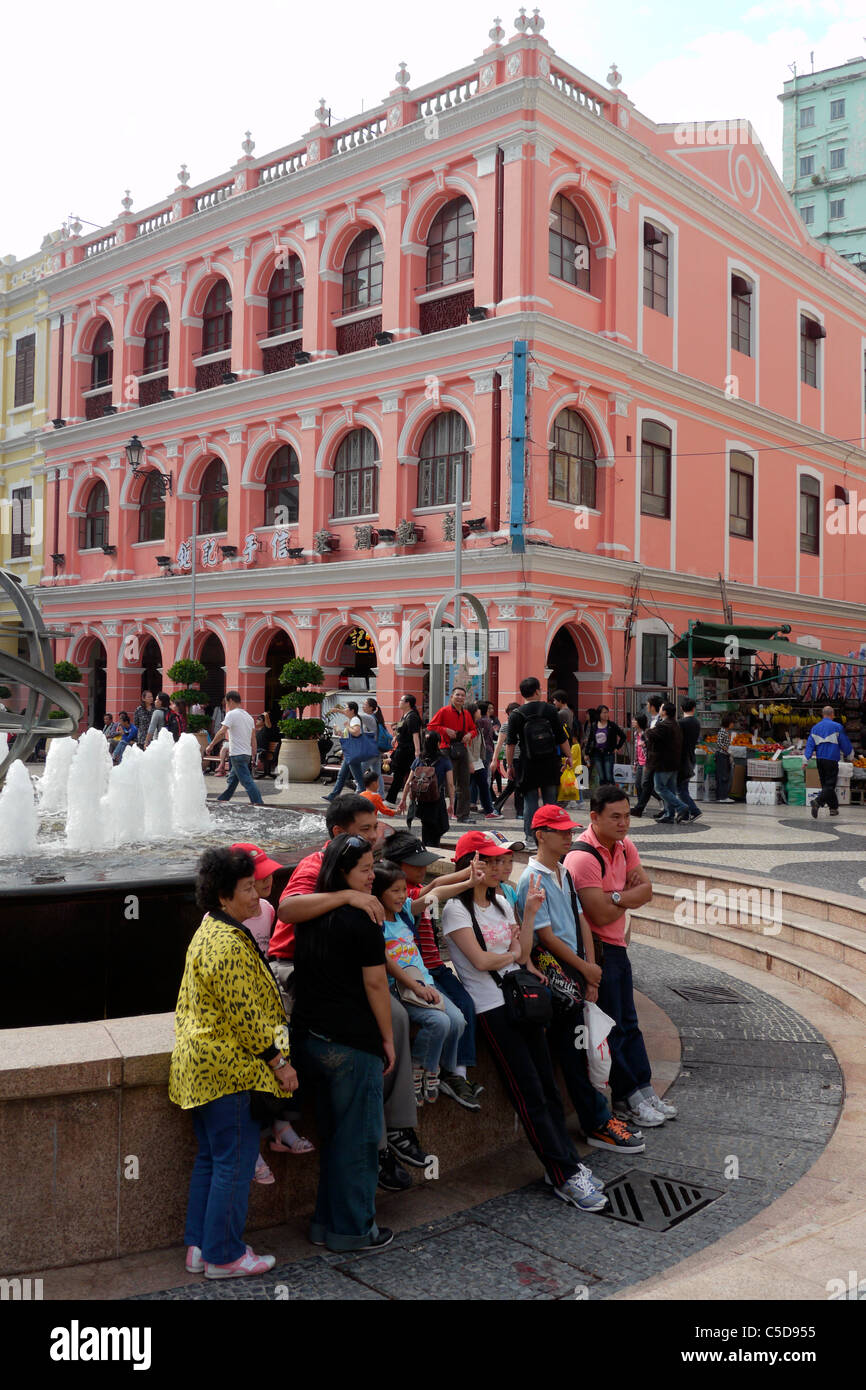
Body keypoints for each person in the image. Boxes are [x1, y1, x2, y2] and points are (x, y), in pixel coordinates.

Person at [272, 794, 433, 1191]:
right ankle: (374, 1148)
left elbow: (374, 952)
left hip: (341, 970)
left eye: (376, 827)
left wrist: (411, 980)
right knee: (380, 1026)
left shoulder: (367, 867)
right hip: (295, 967)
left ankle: (396, 1128)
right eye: (365, 830)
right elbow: (286, 910)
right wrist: (346, 896)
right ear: (338, 834)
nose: (376, 836)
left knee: (395, 1018)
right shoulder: (318, 866)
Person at [441, 833, 607, 1212]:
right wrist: (514, 953)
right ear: (471, 864)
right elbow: (482, 962)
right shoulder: (455, 910)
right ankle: (564, 1174)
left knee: (547, 1087)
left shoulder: (501, 899)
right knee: (529, 1093)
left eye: (505, 860)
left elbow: (524, 952)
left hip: (522, 1003)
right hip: (492, 1009)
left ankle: (565, 1165)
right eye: (492, 860)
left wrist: (529, 914)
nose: (502, 867)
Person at [169, 846, 296, 1278]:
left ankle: (200, 1248)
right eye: (246, 889)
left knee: (212, 1158)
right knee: (235, 1163)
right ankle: (225, 1255)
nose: (257, 897)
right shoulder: (229, 943)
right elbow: (248, 1018)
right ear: (223, 897)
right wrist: (280, 1063)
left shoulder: (210, 931)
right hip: (228, 1072)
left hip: (200, 1069)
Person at [515, 807, 644, 1153]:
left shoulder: (563, 871)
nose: (568, 837)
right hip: (558, 979)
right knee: (575, 1055)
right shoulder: (533, 879)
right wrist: (584, 969)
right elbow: (546, 936)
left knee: (585, 1051)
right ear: (540, 835)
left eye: (570, 831)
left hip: (576, 973)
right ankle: (596, 1122)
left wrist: (590, 965)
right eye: (560, 832)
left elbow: (580, 918)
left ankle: (598, 1117)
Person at [291, 834, 396, 1252]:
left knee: (334, 1137)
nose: (373, 878)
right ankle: (354, 1230)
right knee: (358, 1142)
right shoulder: (364, 917)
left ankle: (324, 1224)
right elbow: (375, 983)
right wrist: (387, 1038)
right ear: (343, 873)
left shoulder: (313, 909)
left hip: (310, 1039)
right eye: (366, 870)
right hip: (352, 1045)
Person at [565, 784, 677, 1131]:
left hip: (618, 948)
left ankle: (643, 1089)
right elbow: (597, 915)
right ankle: (628, 1097)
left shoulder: (625, 846)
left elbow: (648, 890)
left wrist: (615, 896)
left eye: (627, 816)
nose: (624, 823)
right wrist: (625, 896)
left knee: (629, 1022)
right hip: (600, 953)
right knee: (612, 1027)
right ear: (594, 817)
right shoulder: (583, 857)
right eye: (615, 817)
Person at [381, 830, 485, 1108]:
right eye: (395, 891)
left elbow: (436, 888)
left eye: (403, 890)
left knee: (460, 1016)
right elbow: (435, 887)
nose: (402, 895)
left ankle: (446, 1071)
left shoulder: (403, 908)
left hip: (427, 976)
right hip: (406, 983)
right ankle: (425, 1069)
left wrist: (470, 879)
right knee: (440, 1021)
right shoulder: (380, 916)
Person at [229, 840, 314, 1171]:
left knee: (287, 1051)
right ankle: (253, 1142)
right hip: (244, 1012)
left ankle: (282, 1125)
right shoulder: (219, 920)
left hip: (270, 1005)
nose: (266, 883)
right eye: (256, 879)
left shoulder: (267, 910)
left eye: (267, 876)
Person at [506, 677, 572, 847]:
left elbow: (510, 743)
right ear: (537, 691)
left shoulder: (516, 714)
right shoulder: (550, 710)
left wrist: (510, 765)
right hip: (549, 761)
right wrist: (569, 756)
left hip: (528, 763)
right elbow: (561, 737)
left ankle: (530, 837)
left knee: (530, 801)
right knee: (550, 800)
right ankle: (554, 833)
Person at [427, 685, 476, 822]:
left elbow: (474, 729)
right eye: (457, 695)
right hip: (446, 749)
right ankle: (441, 812)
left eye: (462, 695)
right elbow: (431, 727)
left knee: (464, 783)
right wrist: (444, 730)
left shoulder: (466, 714)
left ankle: (463, 815)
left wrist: (469, 735)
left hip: (462, 749)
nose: (460, 697)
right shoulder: (444, 711)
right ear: (452, 697)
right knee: (446, 783)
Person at [206, 691, 264, 806]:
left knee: (247, 781)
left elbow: (222, 732)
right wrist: (253, 752)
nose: (227, 706)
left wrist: (211, 744)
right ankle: (222, 800)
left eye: (227, 703)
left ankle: (259, 803)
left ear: (231, 700)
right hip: (245, 754)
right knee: (233, 780)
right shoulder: (248, 717)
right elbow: (253, 737)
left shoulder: (231, 714)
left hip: (237, 754)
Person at [398, 730, 454, 847]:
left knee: (426, 828)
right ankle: (433, 852)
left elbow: (408, 782)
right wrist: (452, 804)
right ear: (438, 744)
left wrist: (403, 800)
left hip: (422, 800)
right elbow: (450, 784)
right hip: (437, 800)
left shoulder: (419, 760)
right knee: (438, 828)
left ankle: (426, 849)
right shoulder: (444, 760)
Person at [805, 705, 853, 818]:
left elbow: (810, 744)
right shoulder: (837, 726)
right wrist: (850, 754)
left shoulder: (815, 727)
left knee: (826, 785)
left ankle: (833, 808)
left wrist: (806, 758)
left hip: (820, 760)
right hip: (831, 759)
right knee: (830, 785)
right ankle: (817, 802)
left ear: (823, 714)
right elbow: (844, 742)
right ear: (832, 715)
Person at [646, 702, 690, 823]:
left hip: (663, 763)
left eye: (661, 708)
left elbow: (651, 735)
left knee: (660, 788)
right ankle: (669, 814)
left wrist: (648, 730)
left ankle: (681, 806)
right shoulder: (675, 724)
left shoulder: (664, 725)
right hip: (674, 763)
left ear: (664, 712)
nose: (660, 709)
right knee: (670, 790)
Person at [385, 694, 423, 806]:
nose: (399, 702)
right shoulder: (405, 715)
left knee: (401, 775)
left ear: (407, 703)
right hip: (401, 749)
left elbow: (415, 735)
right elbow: (400, 728)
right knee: (400, 775)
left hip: (408, 751)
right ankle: (392, 799)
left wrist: (417, 751)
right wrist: (395, 737)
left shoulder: (412, 717)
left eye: (401, 700)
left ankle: (391, 800)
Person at [466, 702, 500, 818]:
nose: (479, 712)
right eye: (477, 710)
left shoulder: (477, 724)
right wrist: (470, 760)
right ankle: (458, 810)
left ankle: (488, 810)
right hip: (472, 760)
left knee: (481, 784)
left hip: (478, 759)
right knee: (464, 785)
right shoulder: (470, 725)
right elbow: (467, 745)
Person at [583, 705, 627, 788]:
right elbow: (590, 740)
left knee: (608, 776)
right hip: (597, 753)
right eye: (604, 713)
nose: (606, 714)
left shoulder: (612, 725)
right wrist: (586, 753)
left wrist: (617, 747)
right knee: (601, 776)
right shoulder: (594, 725)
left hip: (608, 753)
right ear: (599, 714)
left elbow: (623, 736)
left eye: (607, 712)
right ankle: (603, 795)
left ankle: (612, 794)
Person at [677, 697, 703, 820]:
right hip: (691, 757)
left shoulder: (681, 723)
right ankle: (686, 814)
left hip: (682, 759)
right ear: (694, 708)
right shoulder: (696, 723)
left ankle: (694, 810)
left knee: (681, 789)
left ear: (681, 708)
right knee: (683, 787)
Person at [630, 714, 650, 817]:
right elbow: (636, 750)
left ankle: (660, 800)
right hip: (639, 763)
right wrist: (635, 763)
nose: (633, 721)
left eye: (635, 720)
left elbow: (649, 748)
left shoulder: (646, 733)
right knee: (638, 784)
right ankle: (641, 806)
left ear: (640, 722)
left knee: (645, 785)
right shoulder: (635, 734)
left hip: (647, 763)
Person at [715, 713, 735, 802]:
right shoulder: (722, 731)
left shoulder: (725, 731)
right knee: (723, 776)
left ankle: (722, 796)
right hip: (721, 755)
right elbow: (719, 743)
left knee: (725, 775)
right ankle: (722, 797)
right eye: (732, 723)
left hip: (724, 755)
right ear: (728, 723)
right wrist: (727, 750)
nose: (733, 724)